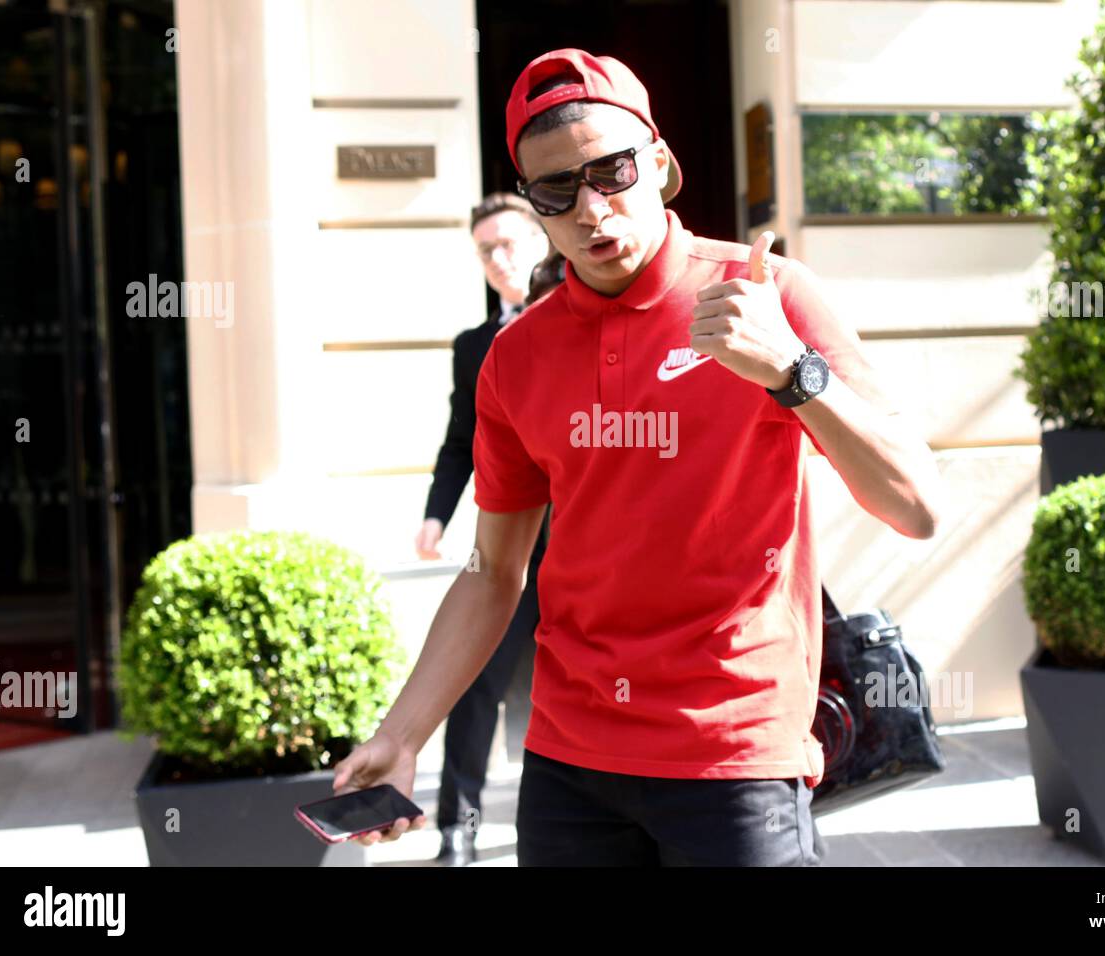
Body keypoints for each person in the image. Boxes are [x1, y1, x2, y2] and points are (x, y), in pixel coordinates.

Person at [334, 49, 944, 866]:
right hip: (569, 766)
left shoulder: (770, 297)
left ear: (659, 163)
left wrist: (791, 371)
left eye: (612, 171)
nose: (592, 209)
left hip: (736, 753)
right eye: (558, 190)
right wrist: (401, 735)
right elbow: (491, 573)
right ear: (535, 208)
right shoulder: (515, 358)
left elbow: (916, 505)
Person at [413, 192, 550, 865]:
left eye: (509, 244)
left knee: (558, 691)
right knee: (475, 685)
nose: (498, 260)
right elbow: (459, 441)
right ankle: (456, 826)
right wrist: (436, 515)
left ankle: (553, 824)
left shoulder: (579, 318)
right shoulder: (474, 346)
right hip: (505, 550)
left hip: (586, 543)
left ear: (539, 240)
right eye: (485, 250)